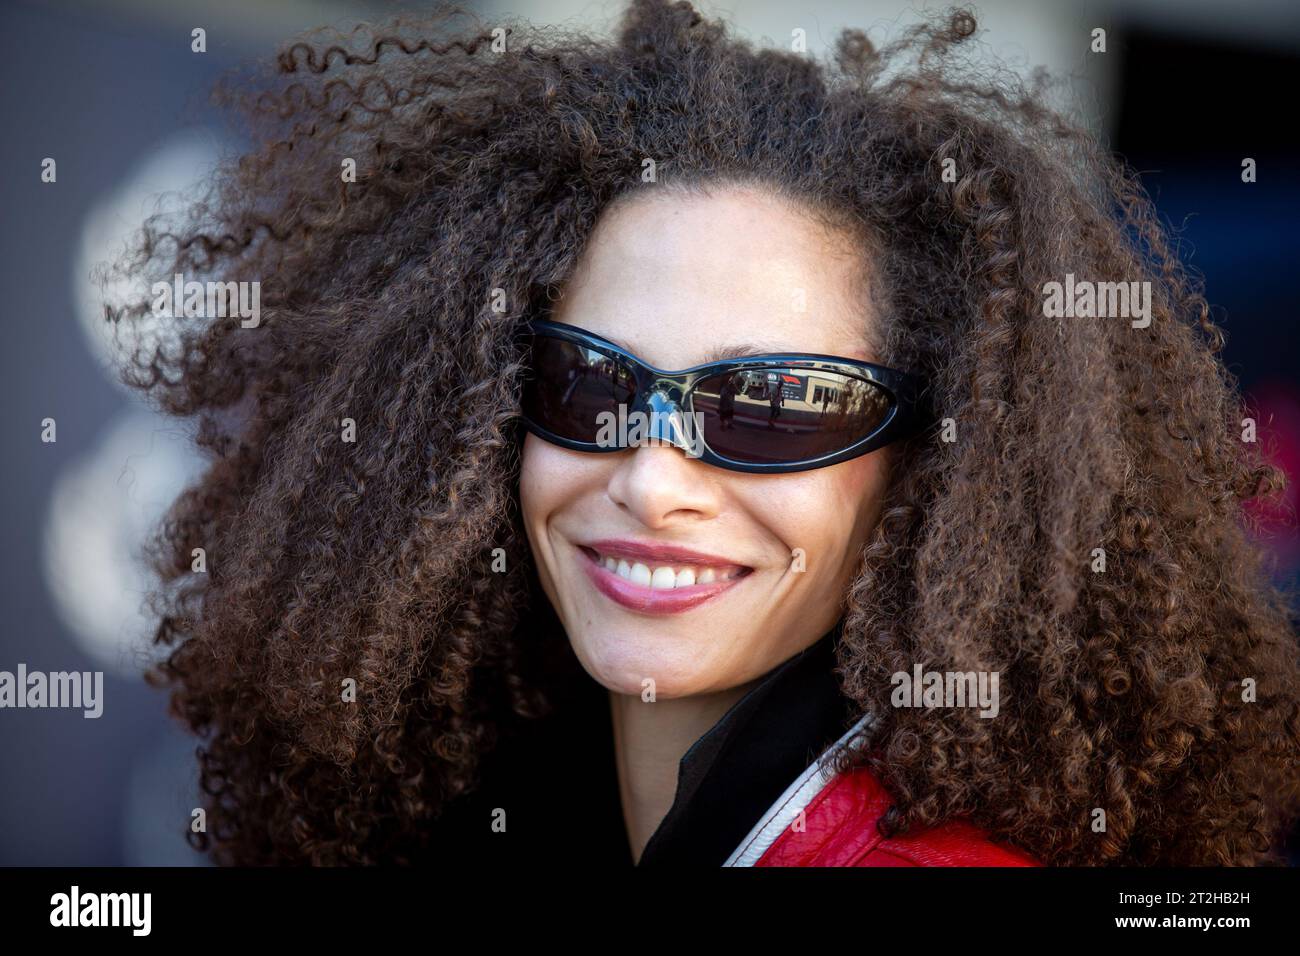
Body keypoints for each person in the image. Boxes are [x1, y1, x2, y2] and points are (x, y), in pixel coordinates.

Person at [109, 0, 1300, 866]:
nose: (653, 476)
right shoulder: (497, 801)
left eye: (774, 403)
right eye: (585, 380)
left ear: (934, 471)